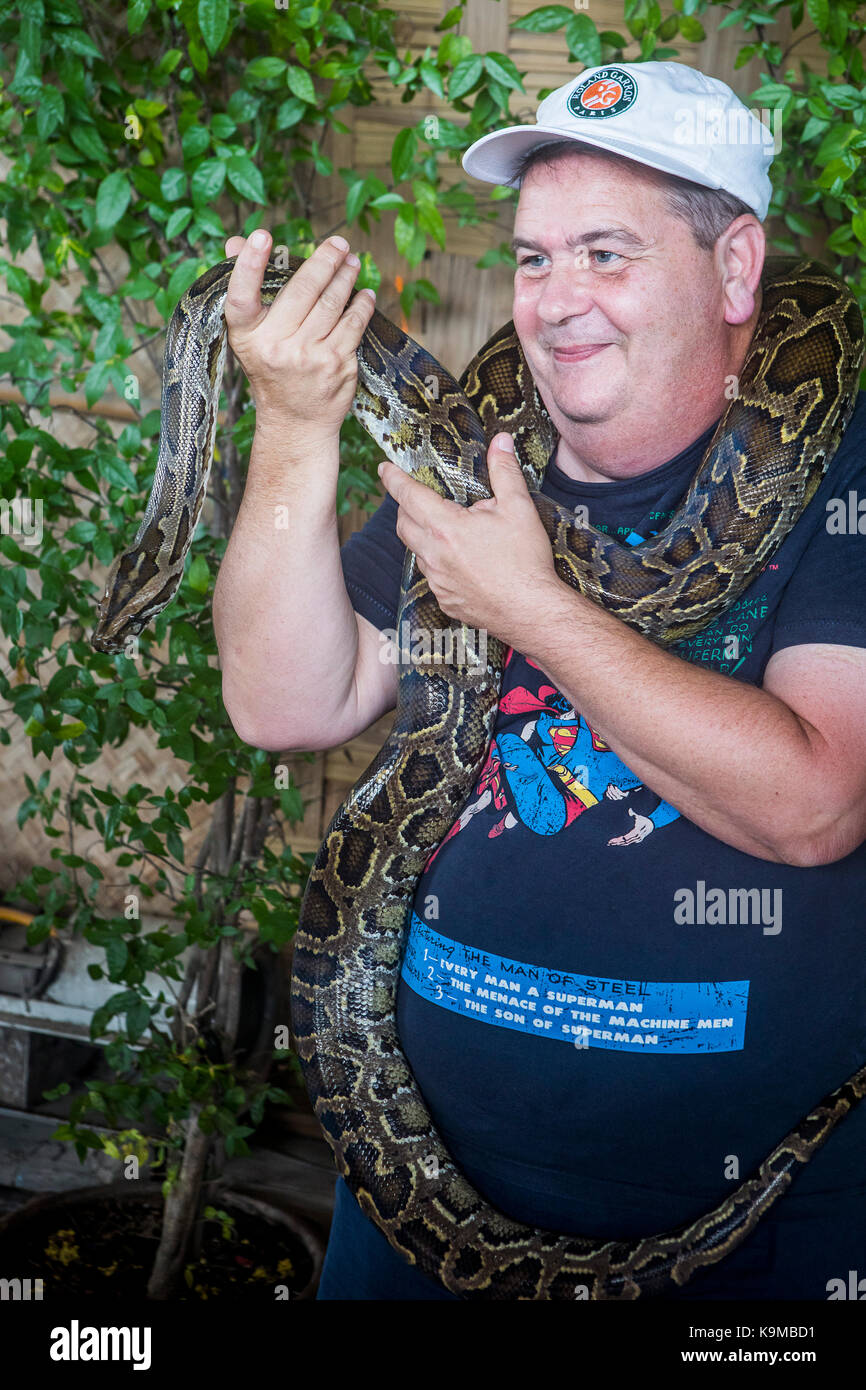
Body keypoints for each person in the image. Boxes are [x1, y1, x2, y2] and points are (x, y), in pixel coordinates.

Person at [213, 60, 866, 1301]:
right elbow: (283, 703)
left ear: (736, 270)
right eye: (531, 258)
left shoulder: (843, 469)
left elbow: (815, 803)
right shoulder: (486, 453)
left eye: (606, 254)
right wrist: (297, 425)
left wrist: (530, 610)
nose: (555, 302)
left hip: (752, 1242)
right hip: (407, 1210)